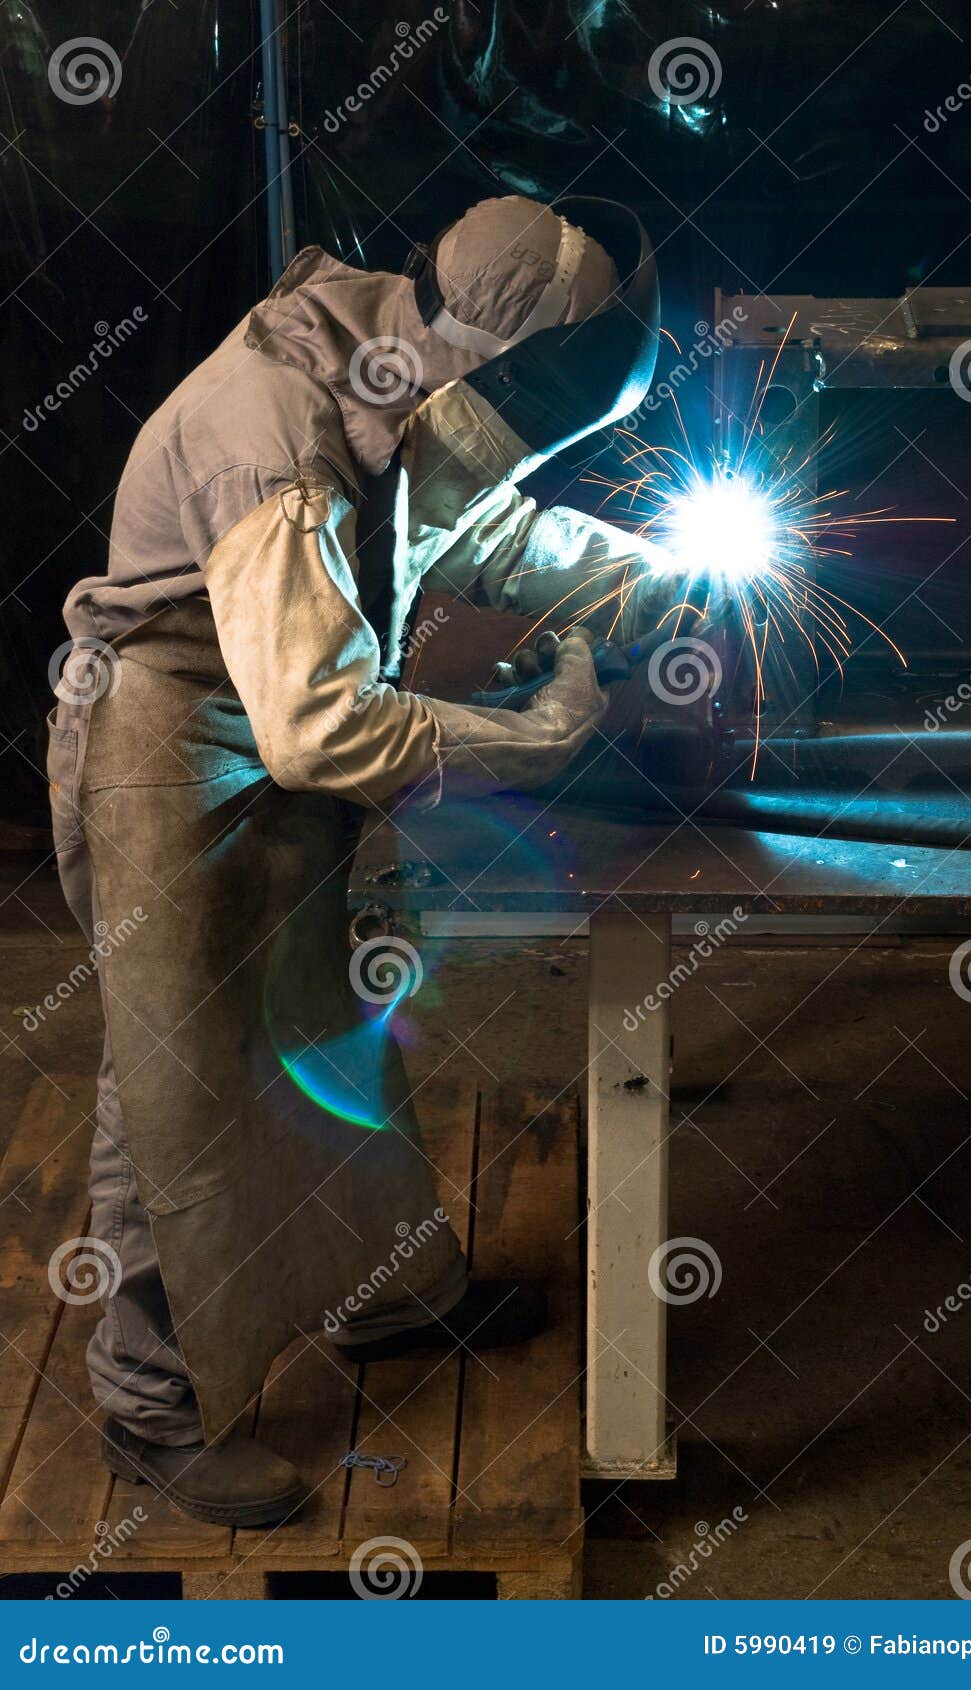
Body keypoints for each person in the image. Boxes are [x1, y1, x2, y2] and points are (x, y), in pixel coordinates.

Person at [47, 193, 681, 1527]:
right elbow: (318, 722)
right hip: (171, 729)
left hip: (263, 724)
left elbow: (476, 525)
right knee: (175, 1069)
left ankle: (386, 1299)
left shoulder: (402, 354)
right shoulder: (269, 433)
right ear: (499, 365)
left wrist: (657, 577)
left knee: (319, 1031)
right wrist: (527, 736)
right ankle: (151, 1406)